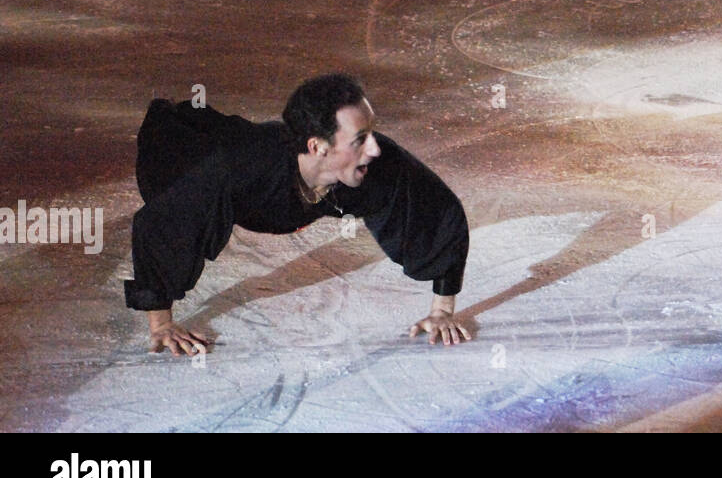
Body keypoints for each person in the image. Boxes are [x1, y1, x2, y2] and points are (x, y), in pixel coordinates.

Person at [126, 73, 473, 354]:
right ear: (317, 146)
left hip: (257, 158)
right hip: (184, 153)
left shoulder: (375, 164)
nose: (375, 147)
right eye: (360, 139)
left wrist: (441, 311)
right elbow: (163, 225)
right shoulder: (233, 171)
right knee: (189, 163)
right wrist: (161, 324)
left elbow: (434, 211)